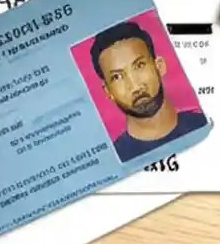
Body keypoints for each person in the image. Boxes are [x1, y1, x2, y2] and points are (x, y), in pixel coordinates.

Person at [89, 20, 208, 162]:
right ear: (108, 92)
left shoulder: (203, 125)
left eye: (139, 65)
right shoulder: (114, 160)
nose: (135, 86)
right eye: (117, 76)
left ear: (159, 66)